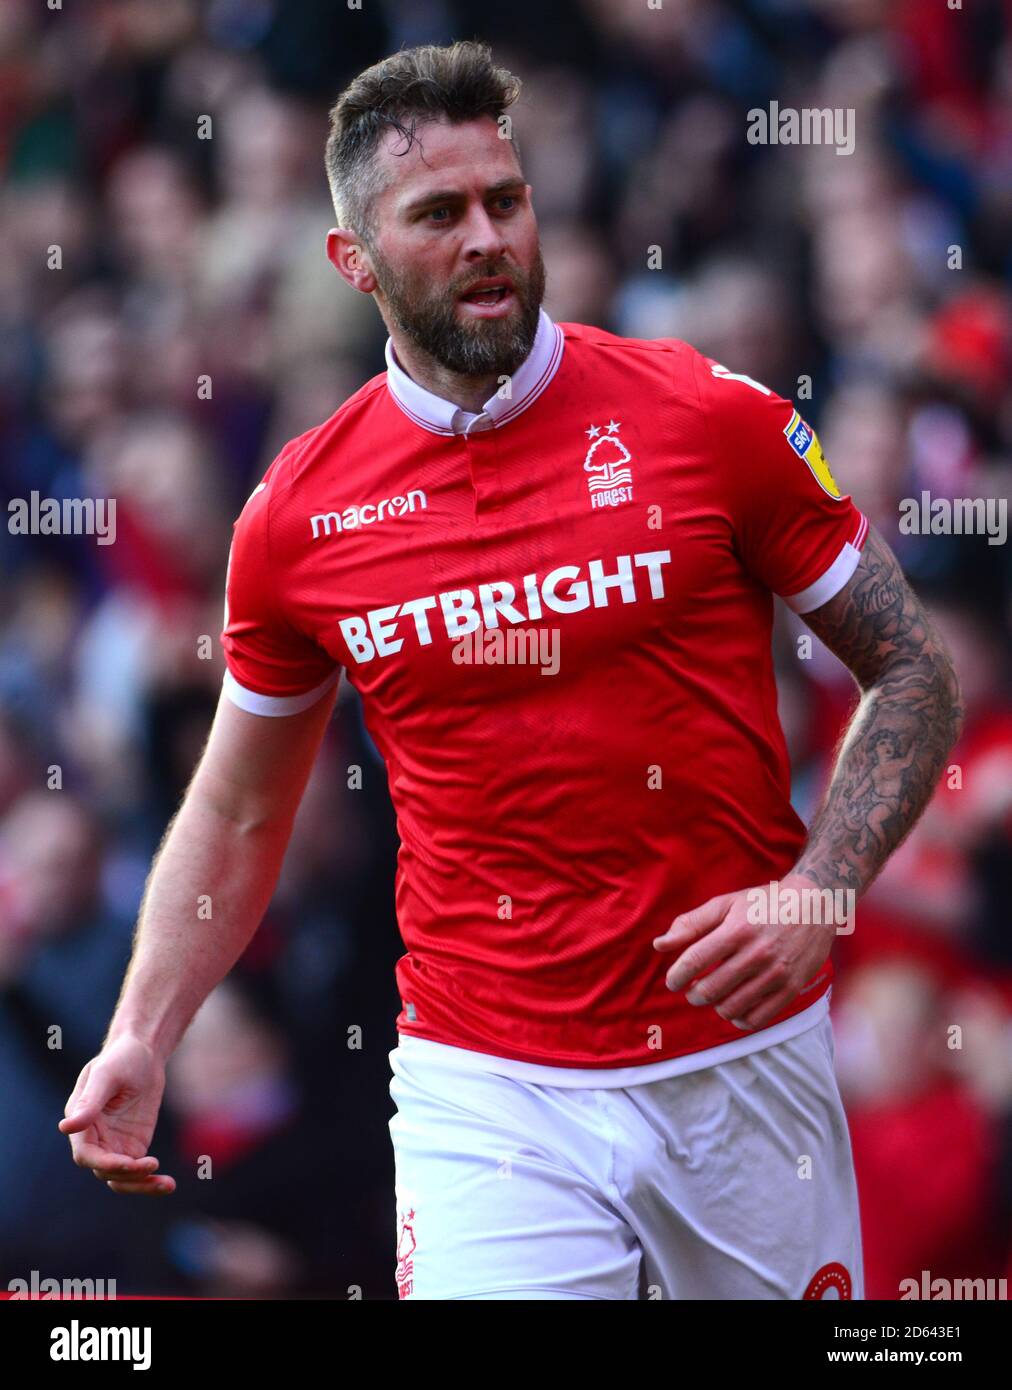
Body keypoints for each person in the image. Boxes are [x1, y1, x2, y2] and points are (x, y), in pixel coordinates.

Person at [60, 41, 963, 1301]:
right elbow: (239, 805)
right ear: (353, 262)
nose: (487, 235)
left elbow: (914, 672)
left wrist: (818, 889)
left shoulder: (709, 421)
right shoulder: (296, 519)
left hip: (740, 1063)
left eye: (506, 198)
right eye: (439, 213)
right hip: (487, 1086)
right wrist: (142, 1034)